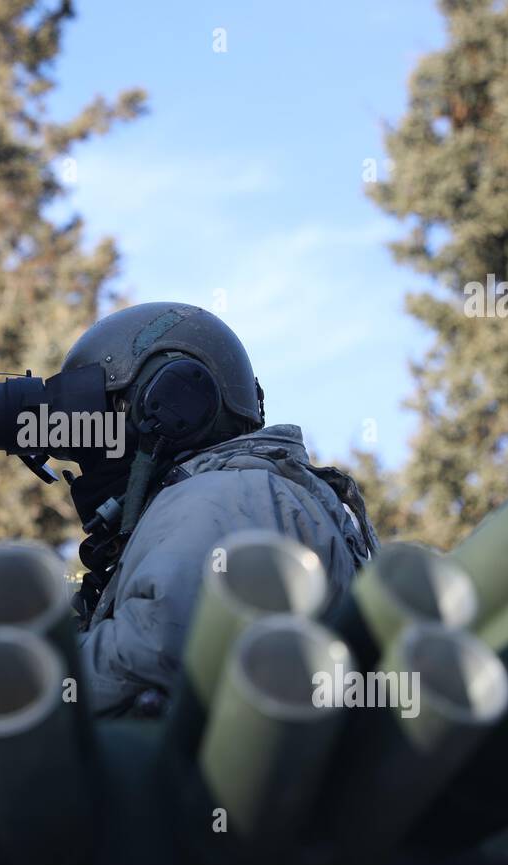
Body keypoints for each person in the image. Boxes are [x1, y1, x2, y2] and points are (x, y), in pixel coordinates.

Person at [60, 302, 379, 717]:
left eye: (105, 417)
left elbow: (156, 651)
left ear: (171, 406)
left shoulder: (227, 496)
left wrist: (11, 684)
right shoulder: (234, 495)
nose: (92, 455)